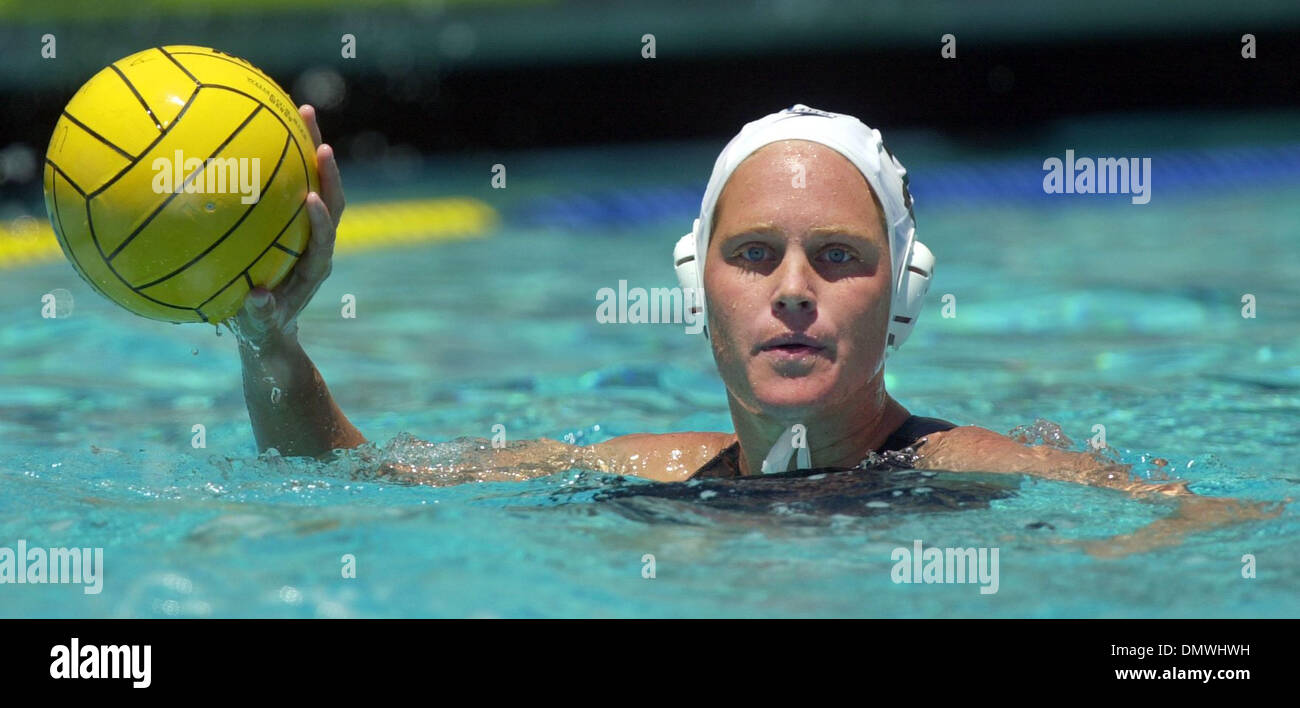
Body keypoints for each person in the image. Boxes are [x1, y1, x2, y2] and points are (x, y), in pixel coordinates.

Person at [233, 105, 1282, 554]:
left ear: (899, 294)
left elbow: (1229, 529)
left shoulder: (994, 476)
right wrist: (270, 340)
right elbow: (345, 487)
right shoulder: (636, 471)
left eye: (836, 256)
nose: (792, 290)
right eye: (752, 256)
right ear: (698, 290)